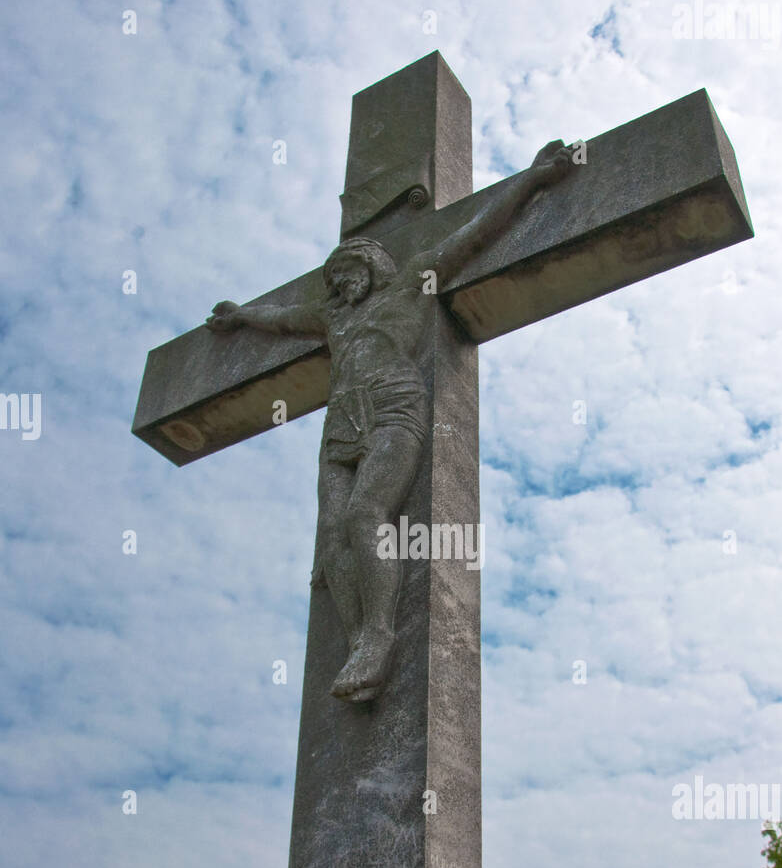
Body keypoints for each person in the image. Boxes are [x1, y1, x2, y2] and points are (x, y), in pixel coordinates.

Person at [206, 140, 573, 702]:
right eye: (334, 279)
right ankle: (359, 643)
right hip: (341, 424)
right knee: (331, 540)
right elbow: (279, 322)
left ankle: (380, 632)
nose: (339, 284)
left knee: (366, 513)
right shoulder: (333, 320)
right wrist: (240, 317)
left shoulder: (411, 285)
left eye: (348, 272)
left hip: (394, 405)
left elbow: (470, 235)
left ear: (374, 269)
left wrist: (532, 180)